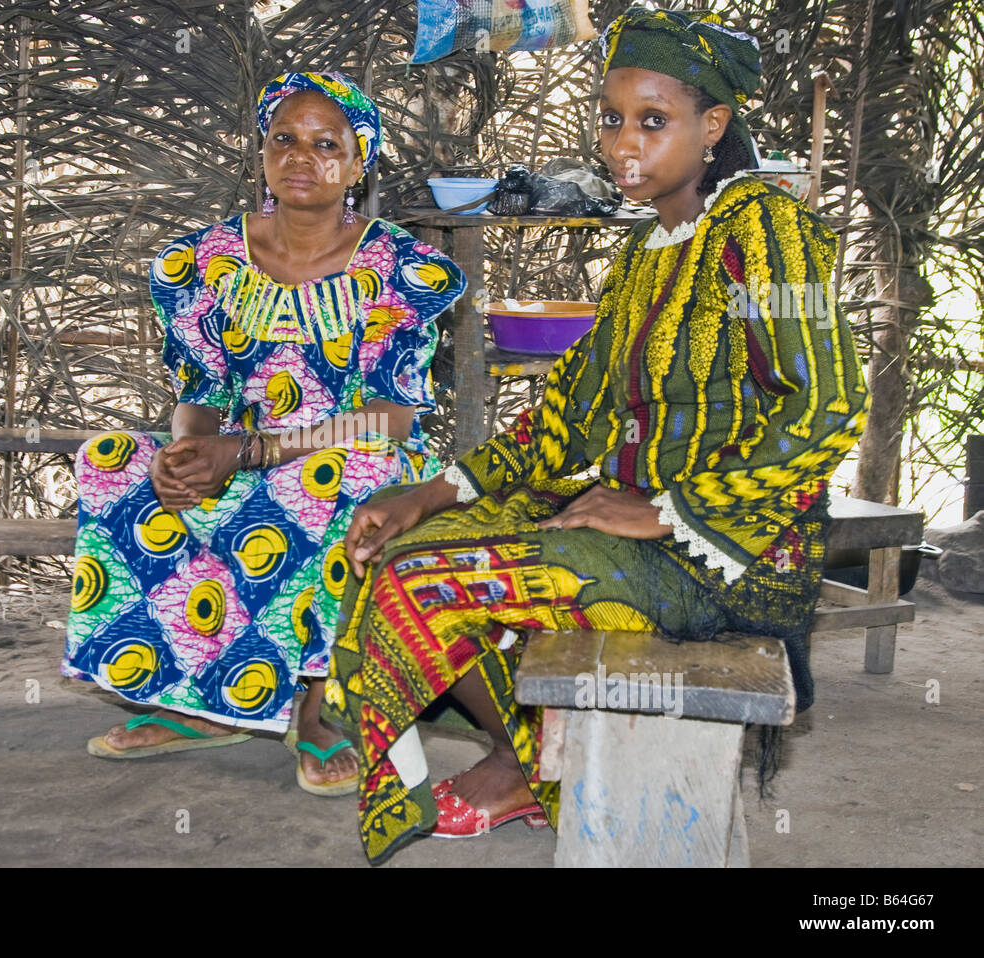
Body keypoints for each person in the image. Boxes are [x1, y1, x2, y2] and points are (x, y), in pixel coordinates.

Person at [325, 5, 870, 863]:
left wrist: (668, 510)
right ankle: (537, 763)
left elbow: (824, 404)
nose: (624, 144)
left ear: (713, 124)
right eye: (613, 119)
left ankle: (524, 768)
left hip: (733, 552)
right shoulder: (648, 252)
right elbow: (564, 415)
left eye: (654, 122)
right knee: (392, 547)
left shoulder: (763, 230)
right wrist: (426, 492)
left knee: (428, 583)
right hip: (653, 528)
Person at [62, 71, 466, 796]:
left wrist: (248, 452)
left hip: (354, 453)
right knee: (112, 461)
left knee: (325, 483)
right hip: (240, 453)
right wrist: (189, 452)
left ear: (358, 161)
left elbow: (392, 416)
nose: (302, 157)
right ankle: (202, 703)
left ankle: (315, 717)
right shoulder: (207, 260)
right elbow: (201, 390)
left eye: (325, 143)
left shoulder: (400, 267)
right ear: (262, 153)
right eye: (285, 139)